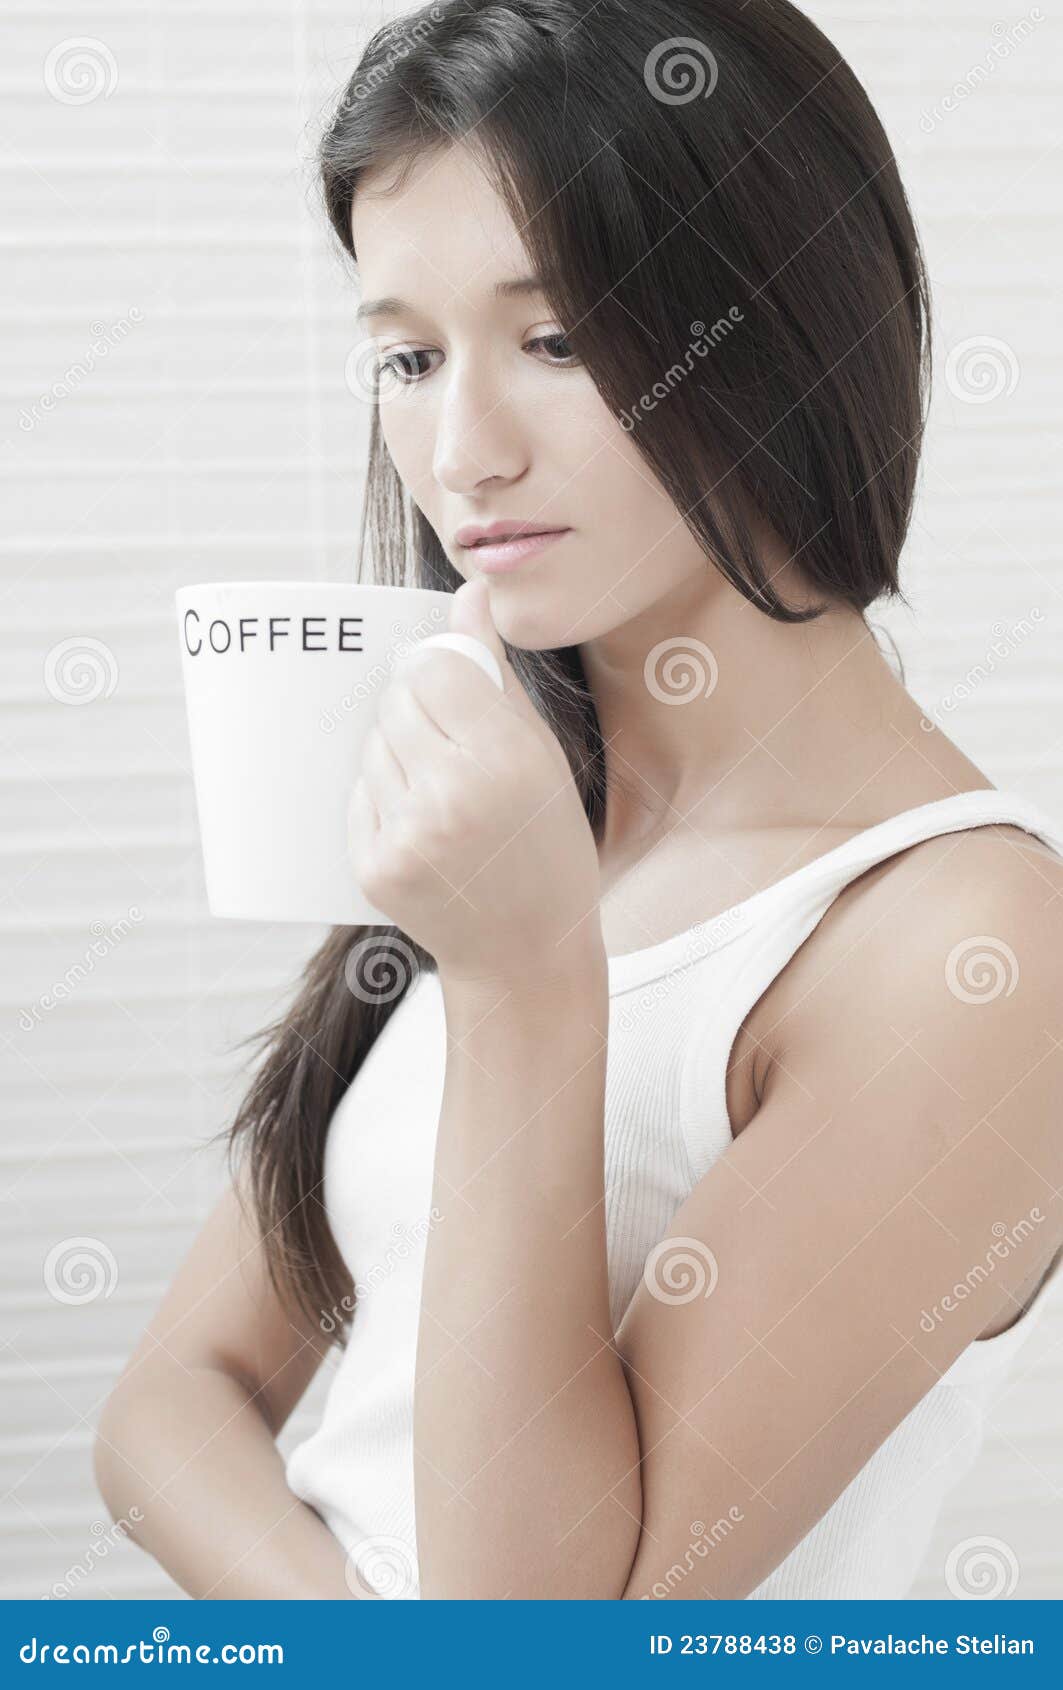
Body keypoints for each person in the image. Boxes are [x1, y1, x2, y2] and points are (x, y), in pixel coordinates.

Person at [96, 0, 1063, 1600]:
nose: (460, 452)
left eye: (556, 341)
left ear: (787, 327)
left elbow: (536, 1639)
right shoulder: (525, 813)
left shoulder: (970, 951)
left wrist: (528, 981)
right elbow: (166, 1404)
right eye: (407, 355)